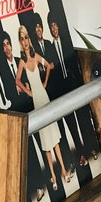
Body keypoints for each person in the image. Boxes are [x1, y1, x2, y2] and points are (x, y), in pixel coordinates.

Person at [16, 25, 70, 191]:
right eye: (22, 39)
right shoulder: (22, 62)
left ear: (29, 40)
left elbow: (50, 65)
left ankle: (63, 169)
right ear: (20, 42)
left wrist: (44, 82)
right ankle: (53, 175)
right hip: (36, 101)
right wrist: (28, 92)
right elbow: (17, 80)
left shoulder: (36, 56)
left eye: (26, 38)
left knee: (54, 137)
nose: (25, 42)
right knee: (45, 140)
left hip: (44, 97)